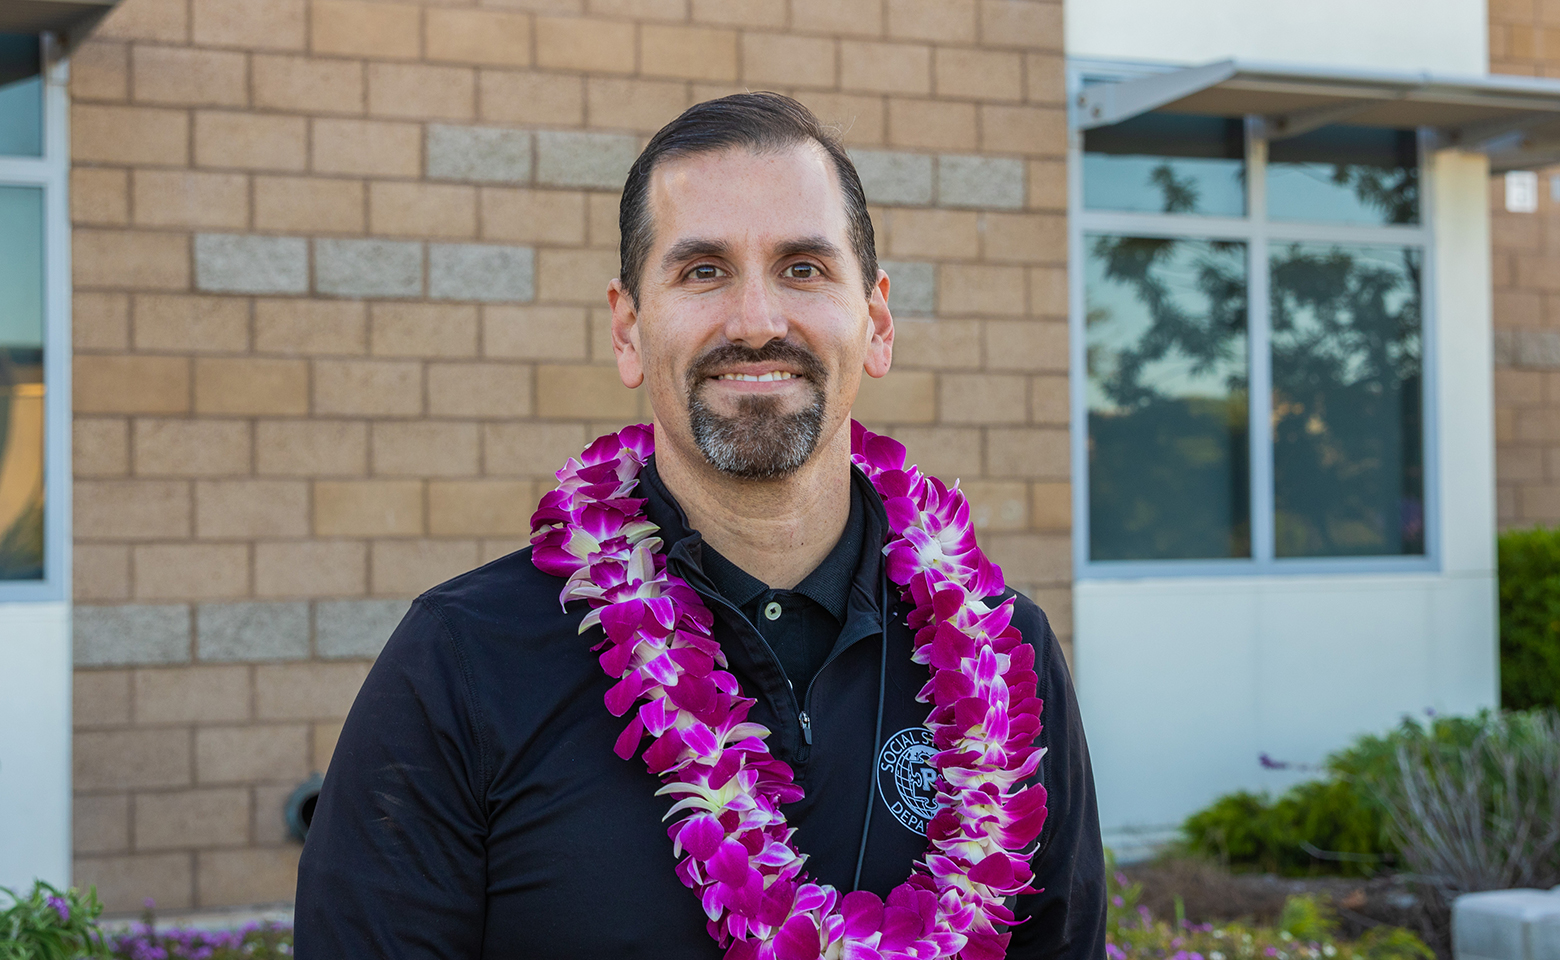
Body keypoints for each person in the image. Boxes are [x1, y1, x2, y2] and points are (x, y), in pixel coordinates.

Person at [295, 92, 1105, 960]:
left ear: (876, 322)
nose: (757, 322)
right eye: (703, 271)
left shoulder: (1006, 655)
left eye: (803, 268)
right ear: (628, 329)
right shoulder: (464, 661)